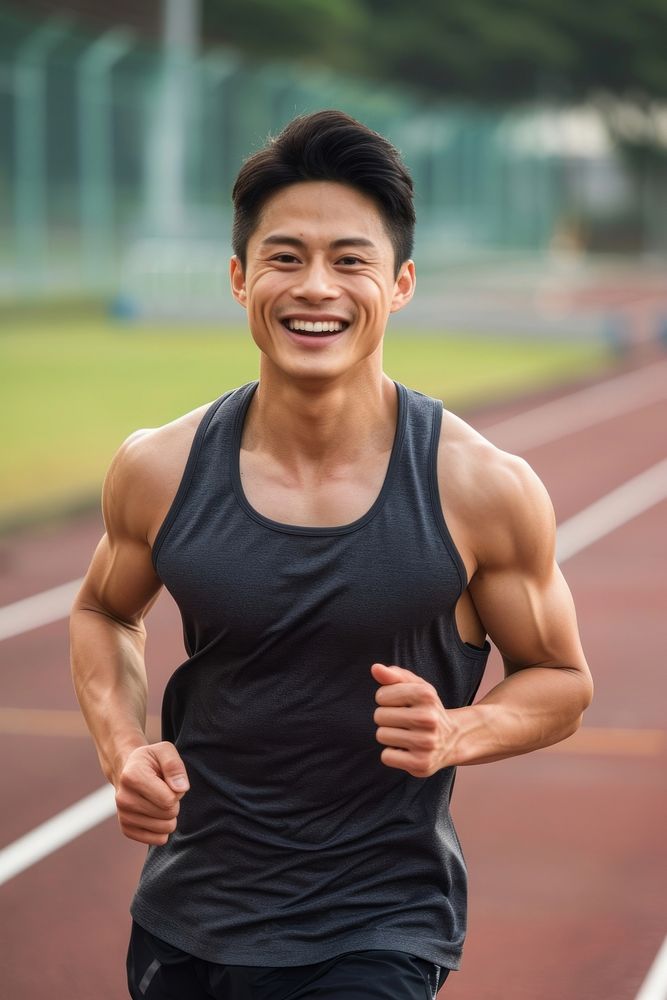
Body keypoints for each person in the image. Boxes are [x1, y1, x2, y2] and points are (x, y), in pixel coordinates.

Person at [70, 109, 593, 1000]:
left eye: (350, 261)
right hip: (186, 918)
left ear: (399, 285)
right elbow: (103, 611)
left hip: (373, 929)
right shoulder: (157, 467)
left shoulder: (479, 486)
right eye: (285, 257)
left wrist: (458, 731)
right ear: (240, 279)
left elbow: (560, 679)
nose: (315, 287)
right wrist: (123, 746)